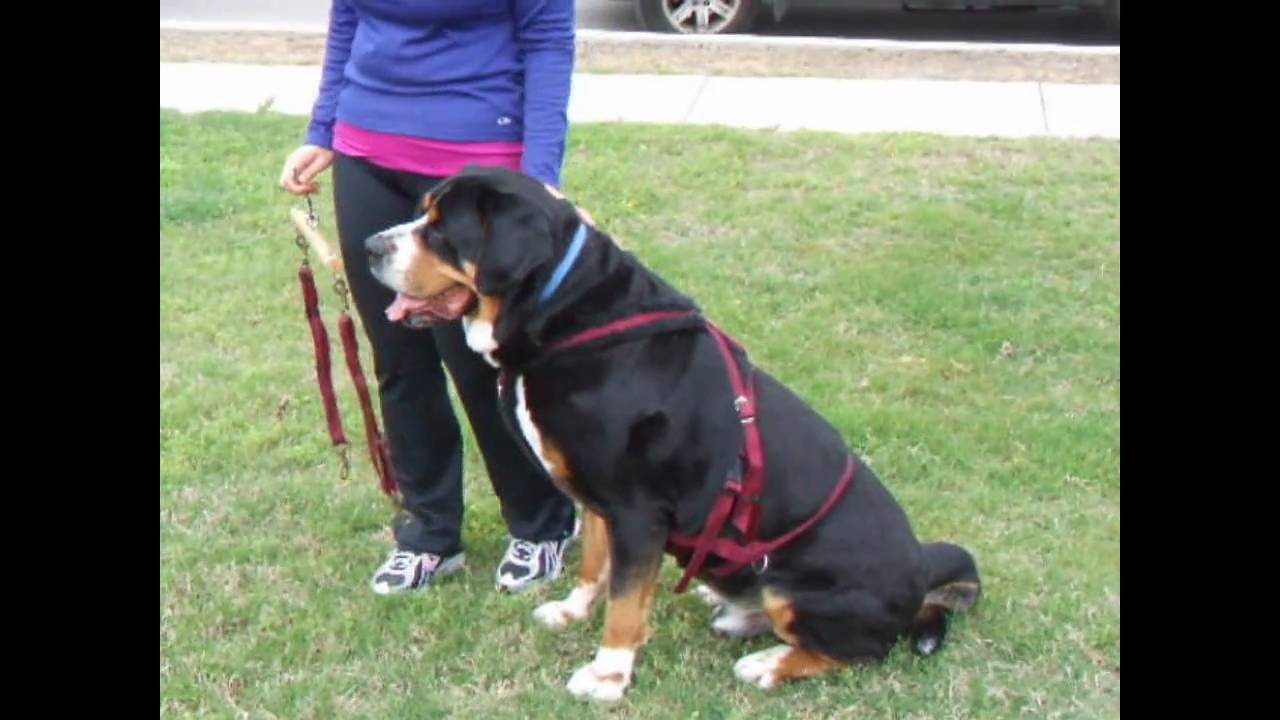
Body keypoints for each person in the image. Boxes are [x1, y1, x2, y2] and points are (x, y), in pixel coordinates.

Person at [278, 0, 578, 595]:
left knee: (482, 361)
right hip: (366, 154)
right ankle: (430, 533)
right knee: (399, 356)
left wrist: (540, 175)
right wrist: (324, 129)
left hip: (475, 158)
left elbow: (547, 39)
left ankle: (541, 525)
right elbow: (348, 20)